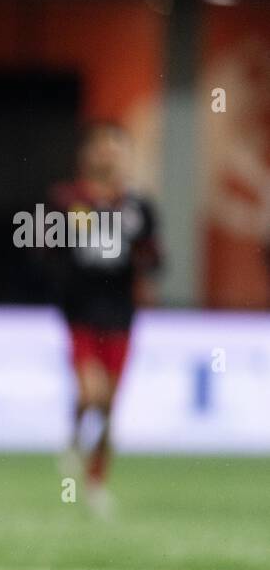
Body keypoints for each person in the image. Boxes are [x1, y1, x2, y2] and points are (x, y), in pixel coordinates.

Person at [46, 122, 162, 517]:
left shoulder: (137, 207)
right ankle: (75, 440)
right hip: (81, 313)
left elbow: (155, 257)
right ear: (87, 155)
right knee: (90, 394)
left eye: (116, 148)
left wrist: (141, 254)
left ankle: (96, 483)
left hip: (121, 315)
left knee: (111, 405)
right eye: (102, 148)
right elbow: (46, 252)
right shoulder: (67, 201)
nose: (108, 155)